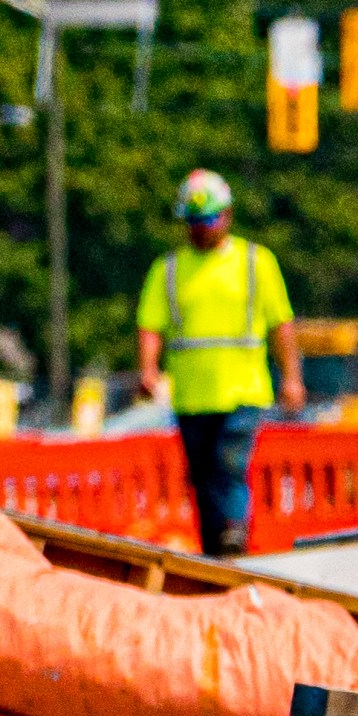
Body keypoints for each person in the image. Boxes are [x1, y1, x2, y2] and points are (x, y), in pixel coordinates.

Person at [134, 172, 306, 556]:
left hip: (243, 390)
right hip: (192, 395)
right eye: (193, 222)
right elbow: (150, 325)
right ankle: (217, 550)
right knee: (202, 476)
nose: (200, 229)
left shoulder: (255, 262)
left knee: (228, 466)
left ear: (226, 216)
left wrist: (292, 378)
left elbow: (282, 325)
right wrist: (147, 370)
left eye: (207, 220)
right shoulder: (170, 269)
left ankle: (233, 532)